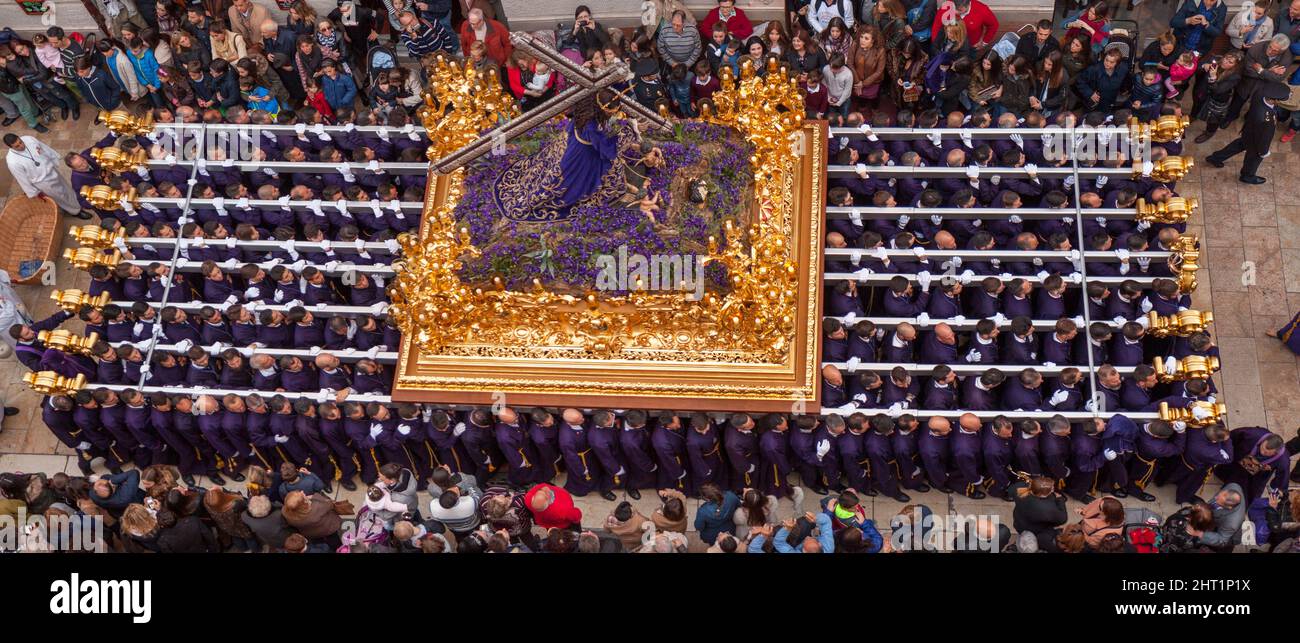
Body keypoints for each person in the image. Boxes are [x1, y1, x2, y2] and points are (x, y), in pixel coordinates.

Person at [1205, 79, 1289, 183]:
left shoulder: (1259, 94)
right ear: (1274, 100)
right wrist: (1263, 152)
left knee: (1239, 144)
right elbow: (1264, 137)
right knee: (1253, 158)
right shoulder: (1266, 118)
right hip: (1256, 140)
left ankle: (1216, 158)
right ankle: (1247, 176)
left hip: (1249, 130)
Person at [4, 133, 88, 218]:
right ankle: (75, 211)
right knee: (60, 196)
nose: (21, 146)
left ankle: (78, 201)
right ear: (11, 147)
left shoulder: (28, 139)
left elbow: (44, 148)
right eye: (17, 146)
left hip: (51, 169)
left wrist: (54, 158)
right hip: (42, 181)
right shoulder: (12, 161)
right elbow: (22, 179)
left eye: (20, 142)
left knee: (66, 187)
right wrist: (35, 193)